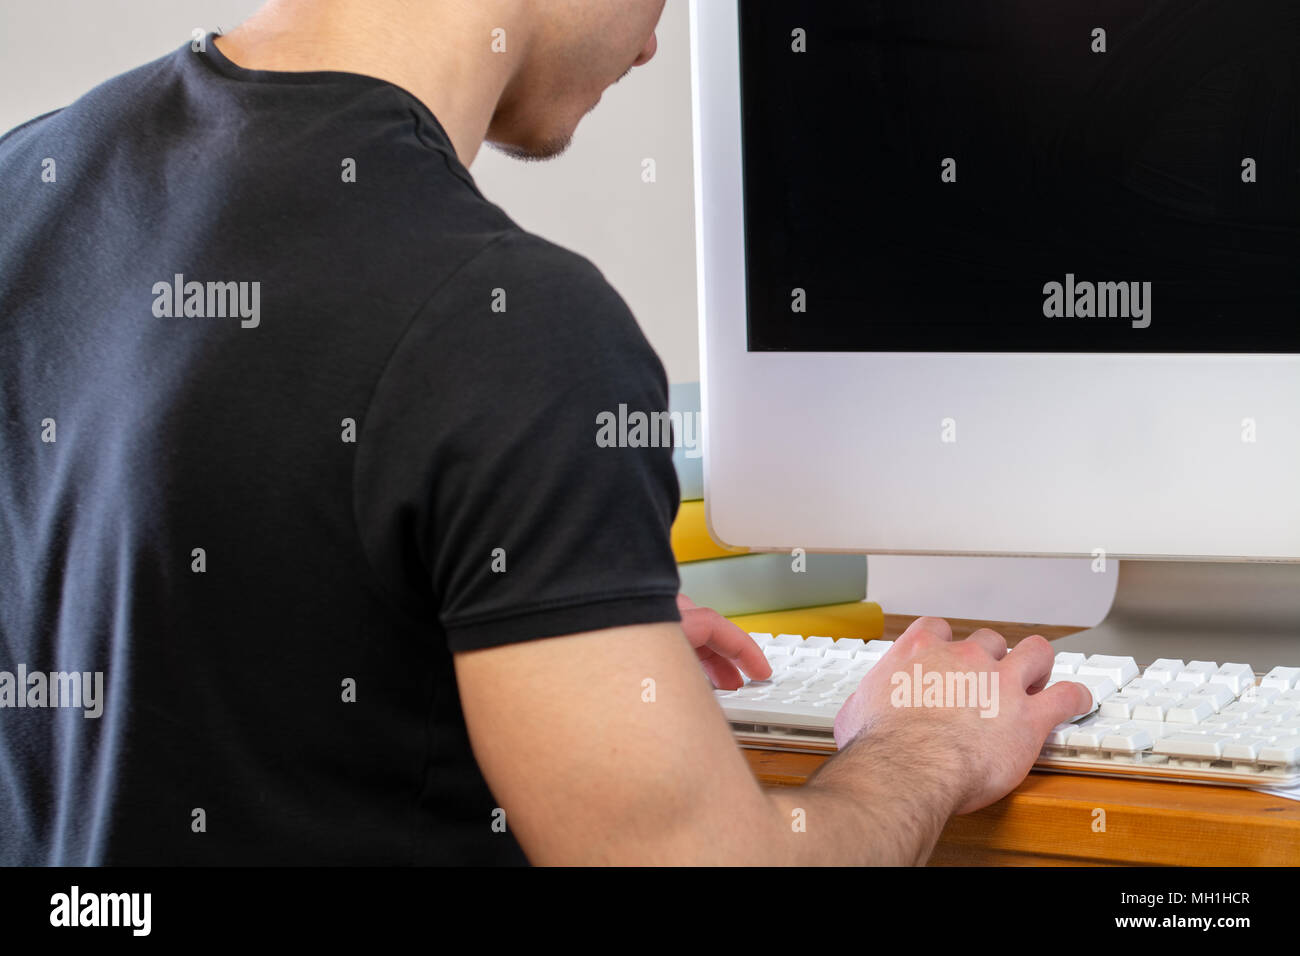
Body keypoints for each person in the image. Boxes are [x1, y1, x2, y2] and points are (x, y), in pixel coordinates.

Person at [0, 0, 1090, 865]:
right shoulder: (509, 322)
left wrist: (516, 603)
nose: (658, 37)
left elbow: (171, 611)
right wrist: (920, 748)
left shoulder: (28, 183)